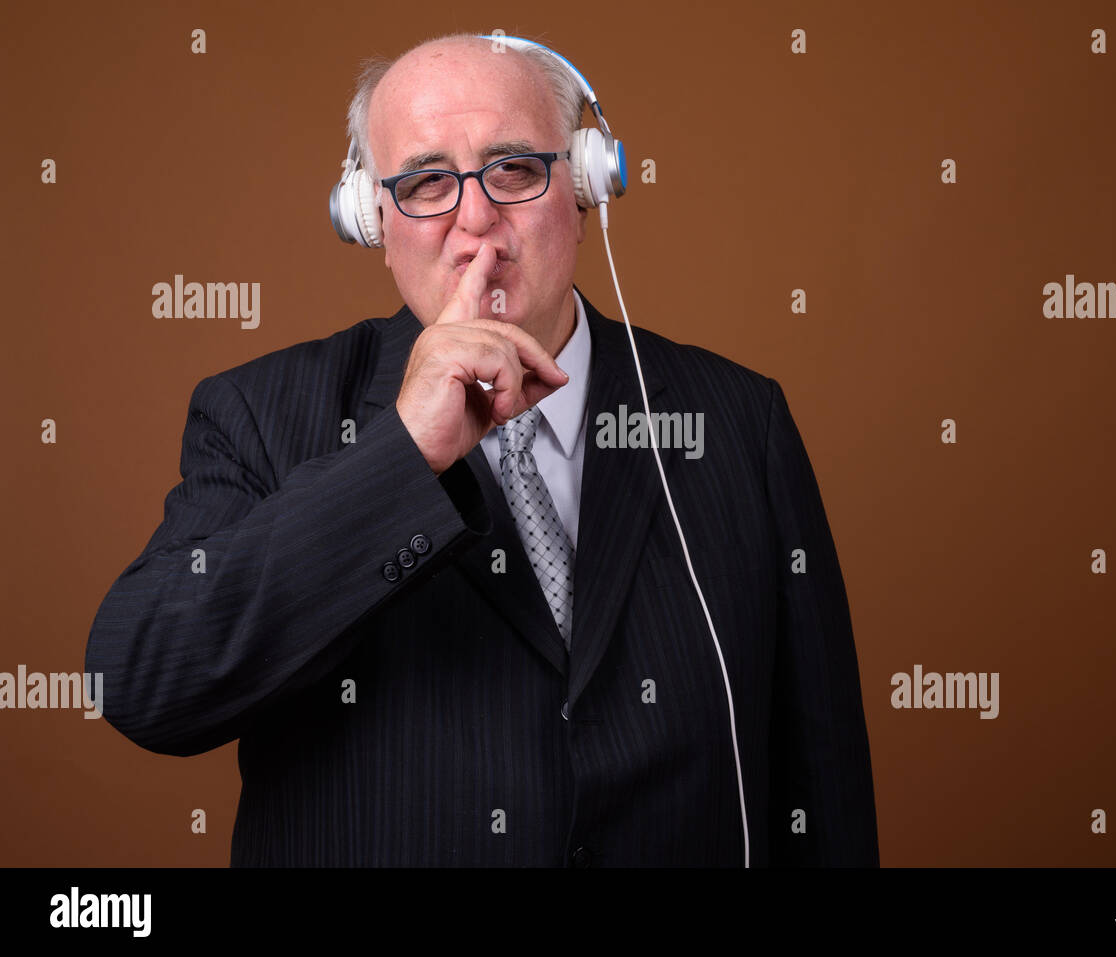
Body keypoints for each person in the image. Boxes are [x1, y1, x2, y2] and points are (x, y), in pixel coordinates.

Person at [85, 31, 880, 867]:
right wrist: (401, 458)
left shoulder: (737, 419)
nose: (475, 220)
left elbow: (821, 786)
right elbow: (142, 681)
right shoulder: (258, 413)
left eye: (512, 168)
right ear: (372, 220)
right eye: (427, 181)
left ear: (583, 186)